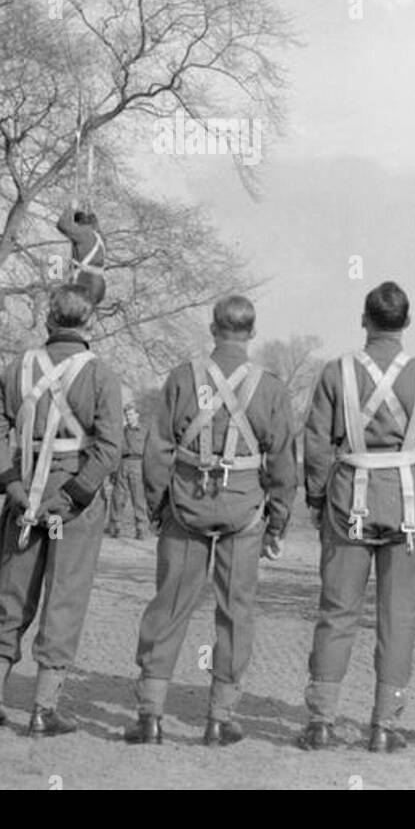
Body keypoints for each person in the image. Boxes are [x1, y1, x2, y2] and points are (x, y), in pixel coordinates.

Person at [125, 295, 296, 747]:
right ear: (252, 331)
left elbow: (157, 448)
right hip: (245, 510)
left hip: (185, 505)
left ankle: (150, 715)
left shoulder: (183, 378)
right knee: (235, 611)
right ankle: (220, 718)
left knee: (170, 604)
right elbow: (282, 465)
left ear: (213, 327)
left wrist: (158, 505)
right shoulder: (272, 388)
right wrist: (277, 523)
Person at [298, 281, 415, 752]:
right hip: (411, 507)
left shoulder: (334, 372)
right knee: (400, 617)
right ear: (406, 324)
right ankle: (385, 725)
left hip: (349, 503)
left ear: (364, 319)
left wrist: (318, 499)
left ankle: (322, 721)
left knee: (336, 612)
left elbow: (316, 444)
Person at [0, 284, 122, 736]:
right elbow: (110, 446)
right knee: (65, 597)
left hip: (24, 493)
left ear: (48, 321)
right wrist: (75, 495)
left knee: (12, 596)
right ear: (89, 323)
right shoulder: (101, 374)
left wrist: (12, 486)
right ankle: (42, 710)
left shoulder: (17, 366)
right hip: (72, 499)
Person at [108, 396, 149, 539]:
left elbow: (150, 452)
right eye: (127, 414)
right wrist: (113, 470)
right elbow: (116, 450)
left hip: (138, 465)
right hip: (122, 464)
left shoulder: (145, 431)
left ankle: (141, 529)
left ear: (137, 415)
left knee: (139, 500)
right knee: (118, 498)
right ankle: (115, 527)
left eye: (131, 414)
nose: (128, 417)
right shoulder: (122, 431)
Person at [56, 200, 106, 307]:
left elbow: (63, 225)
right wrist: (91, 211)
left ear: (79, 224)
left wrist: (71, 208)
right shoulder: (100, 236)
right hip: (99, 286)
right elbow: (95, 224)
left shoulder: (84, 233)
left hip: (85, 282)